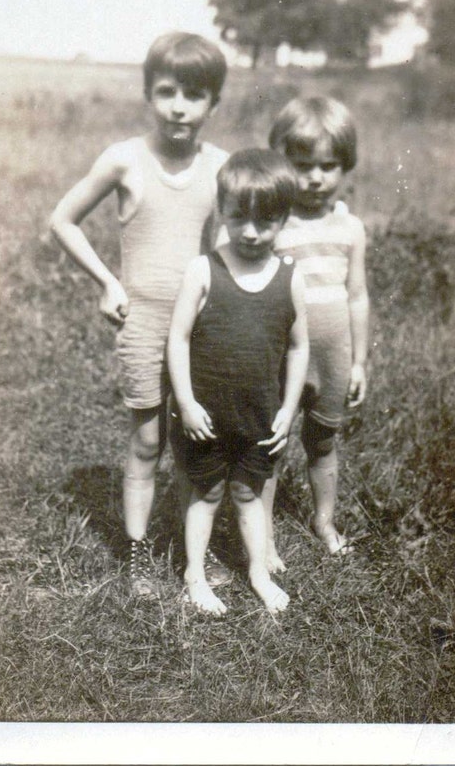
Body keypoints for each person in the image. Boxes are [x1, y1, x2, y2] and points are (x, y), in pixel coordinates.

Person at [49, 32, 228, 598]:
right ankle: (136, 553)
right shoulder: (125, 158)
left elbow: (227, 248)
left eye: (194, 95)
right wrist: (106, 282)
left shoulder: (221, 167)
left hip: (200, 326)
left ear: (213, 103)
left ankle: (193, 552)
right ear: (149, 94)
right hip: (145, 323)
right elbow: (63, 219)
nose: (179, 106)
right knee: (147, 441)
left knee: (197, 440)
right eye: (167, 92)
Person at [167, 149, 309, 615]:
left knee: (249, 496)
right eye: (237, 218)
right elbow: (179, 338)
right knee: (206, 494)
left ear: (284, 218)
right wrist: (186, 402)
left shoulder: (289, 278)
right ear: (222, 212)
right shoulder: (203, 270)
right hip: (206, 415)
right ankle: (194, 575)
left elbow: (297, 347)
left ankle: (257, 573)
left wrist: (288, 408)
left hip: (260, 415)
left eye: (265, 222)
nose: (250, 232)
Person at [263, 96, 369, 569]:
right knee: (271, 442)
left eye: (328, 165)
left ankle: (325, 522)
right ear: (281, 162)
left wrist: (360, 361)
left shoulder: (350, 228)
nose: (315, 177)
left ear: (345, 167)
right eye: (302, 164)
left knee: (323, 443)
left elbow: (357, 297)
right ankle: (261, 532)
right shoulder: (273, 225)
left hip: (333, 356)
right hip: (281, 357)